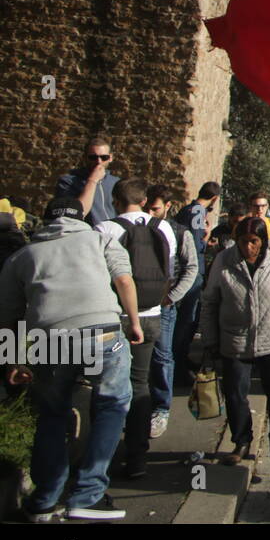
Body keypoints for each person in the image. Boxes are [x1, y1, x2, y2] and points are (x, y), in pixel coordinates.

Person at [1, 197, 141, 521]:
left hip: (50, 342)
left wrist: (12, 360)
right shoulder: (101, 237)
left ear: (45, 221)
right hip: (103, 336)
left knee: (51, 415)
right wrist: (133, 322)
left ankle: (44, 500)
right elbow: (123, 280)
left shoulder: (22, 256)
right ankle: (87, 496)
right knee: (113, 403)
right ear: (82, 219)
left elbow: (7, 316)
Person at [202, 217, 270, 468]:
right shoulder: (224, 260)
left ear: (263, 240)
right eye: (243, 241)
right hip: (235, 339)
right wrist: (210, 339)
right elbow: (210, 301)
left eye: (254, 241)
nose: (248, 247)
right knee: (236, 393)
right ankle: (241, 441)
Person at [95, 178, 179, 480]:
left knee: (107, 387)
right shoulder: (164, 228)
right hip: (153, 313)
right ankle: (137, 456)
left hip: (116, 315)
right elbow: (170, 267)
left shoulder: (106, 229)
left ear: (115, 201)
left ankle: (101, 456)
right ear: (144, 201)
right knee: (141, 384)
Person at [143, 185, 200, 443]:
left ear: (167, 206)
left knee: (162, 356)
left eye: (153, 208)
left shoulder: (180, 231)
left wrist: (172, 297)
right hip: (138, 305)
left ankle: (161, 408)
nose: (148, 213)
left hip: (164, 306)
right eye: (146, 208)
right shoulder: (138, 228)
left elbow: (191, 268)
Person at [171, 182, 221, 393]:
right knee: (187, 320)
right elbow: (197, 242)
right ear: (215, 198)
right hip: (193, 271)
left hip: (183, 270)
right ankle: (178, 365)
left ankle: (180, 360)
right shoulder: (198, 212)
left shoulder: (186, 209)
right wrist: (207, 236)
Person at [55, 134, 120, 226]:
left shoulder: (115, 182)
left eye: (104, 157)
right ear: (85, 158)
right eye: (93, 157)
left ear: (110, 158)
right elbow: (75, 214)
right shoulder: (68, 182)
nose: (99, 161)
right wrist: (92, 180)